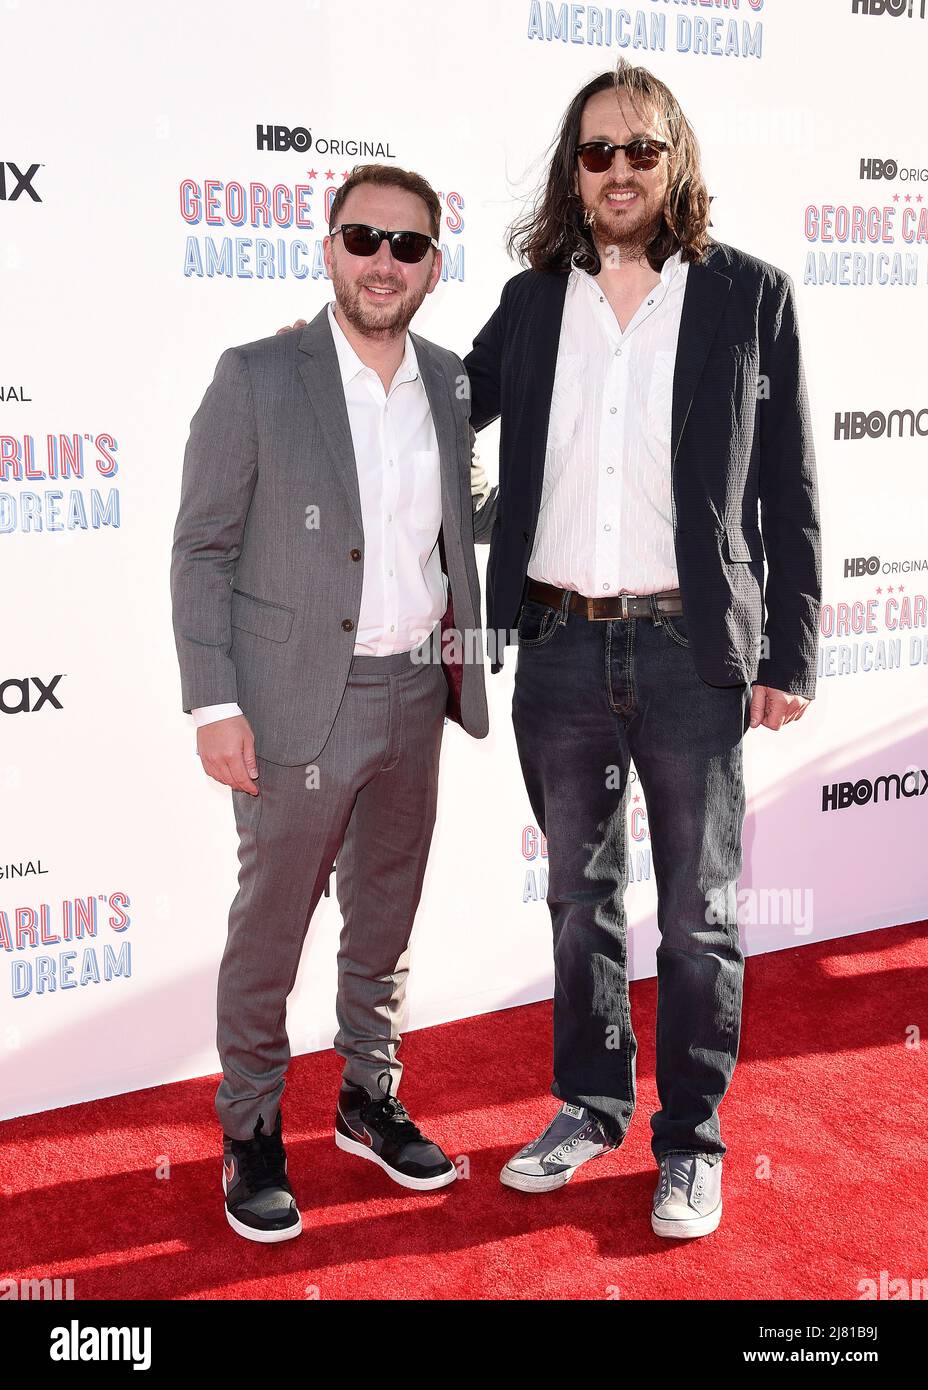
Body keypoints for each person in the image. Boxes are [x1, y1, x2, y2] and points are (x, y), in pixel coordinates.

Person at [462, 60, 821, 1237]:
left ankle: (691, 1141)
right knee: (578, 898)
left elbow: (789, 489)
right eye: (595, 151)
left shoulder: (746, 297)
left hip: (690, 652)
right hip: (560, 646)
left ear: (677, 160)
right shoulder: (528, 304)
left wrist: (792, 653)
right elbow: (431, 414)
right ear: (574, 170)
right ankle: (588, 1103)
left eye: (639, 149)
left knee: (700, 912)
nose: (618, 171)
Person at [171, 163, 497, 1243]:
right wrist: (213, 703)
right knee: (270, 927)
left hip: (416, 693)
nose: (382, 262)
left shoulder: (448, 384)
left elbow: (457, 516)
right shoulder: (258, 375)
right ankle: (250, 1127)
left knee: (386, 916)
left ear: (433, 269)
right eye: (363, 238)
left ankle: (367, 1094)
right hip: (291, 703)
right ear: (327, 248)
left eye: (407, 247)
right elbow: (201, 548)